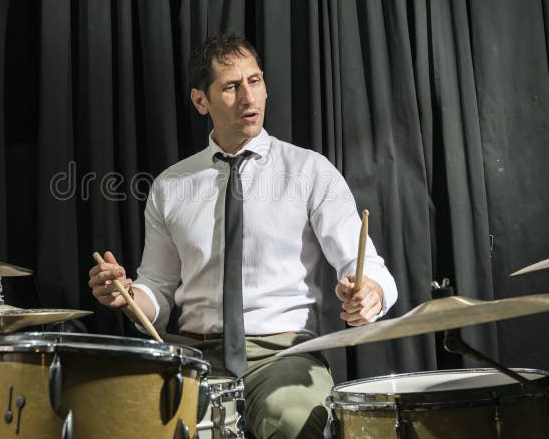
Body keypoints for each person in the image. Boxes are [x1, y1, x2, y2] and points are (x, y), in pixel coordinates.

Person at [88, 33, 397, 438]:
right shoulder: (170, 185)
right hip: (195, 356)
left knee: (294, 420)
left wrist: (369, 291)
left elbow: (367, 265)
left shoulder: (309, 171)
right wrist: (125, 296)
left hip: (285, 355)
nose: (249, 98)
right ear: (201, 101)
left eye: (255, 81)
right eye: (231, 87)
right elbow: (157, 292)